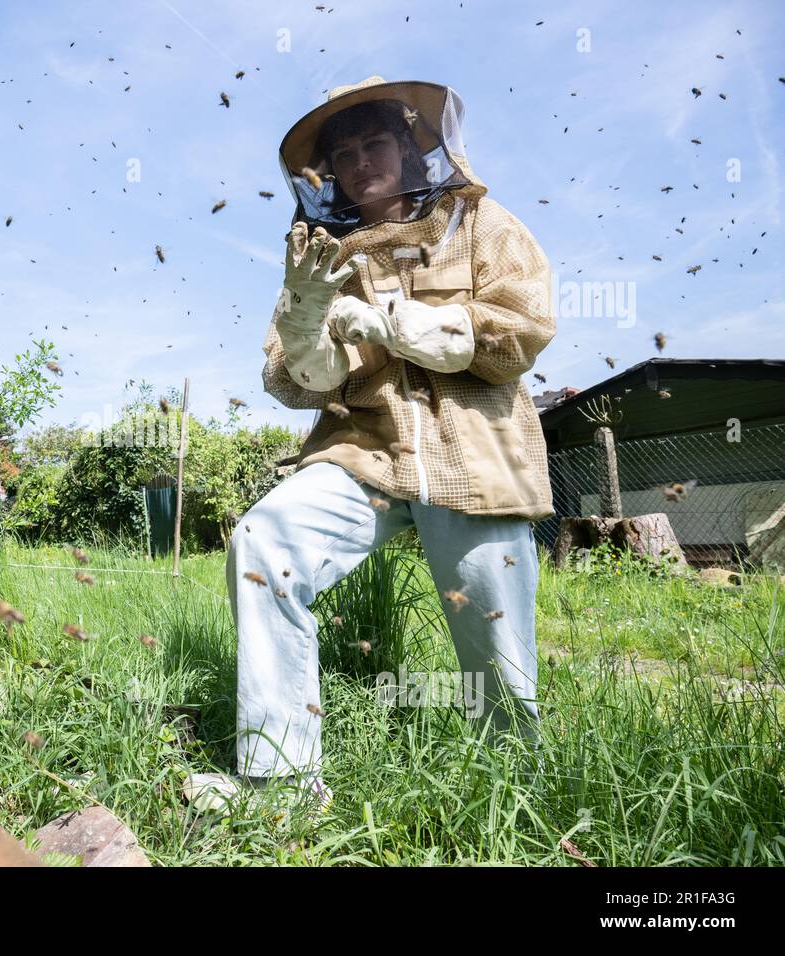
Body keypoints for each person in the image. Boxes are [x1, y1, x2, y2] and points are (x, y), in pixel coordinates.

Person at [209, 76, 556, 814]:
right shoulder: (321, 254)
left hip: (475, 455)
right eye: (343, 153)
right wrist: (306, 321)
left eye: (374, 144)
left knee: (497, 654)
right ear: (328, 172)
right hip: (364, 451)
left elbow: (519, 332)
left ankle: (517, 797)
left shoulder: (480, 225)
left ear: (408, 149)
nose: (360, 161)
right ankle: (279, 785)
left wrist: (399, 324)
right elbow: (298, 380)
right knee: (265, 542)